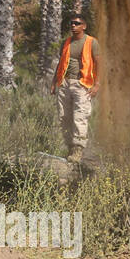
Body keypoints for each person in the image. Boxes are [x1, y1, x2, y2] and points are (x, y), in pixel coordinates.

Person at [50, 14, 100, 164]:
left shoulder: (92, 42)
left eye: (77, 23)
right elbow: (61, 63)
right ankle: (70, 148)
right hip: (64, 84)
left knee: (80, 117)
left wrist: (97, 84)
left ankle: (78, 150)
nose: (73, 25)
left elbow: (99, 64)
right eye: (72, 23)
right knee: (64, 117)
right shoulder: (66, 42)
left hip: (82, 84)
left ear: (84, 26)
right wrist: (54, 82)